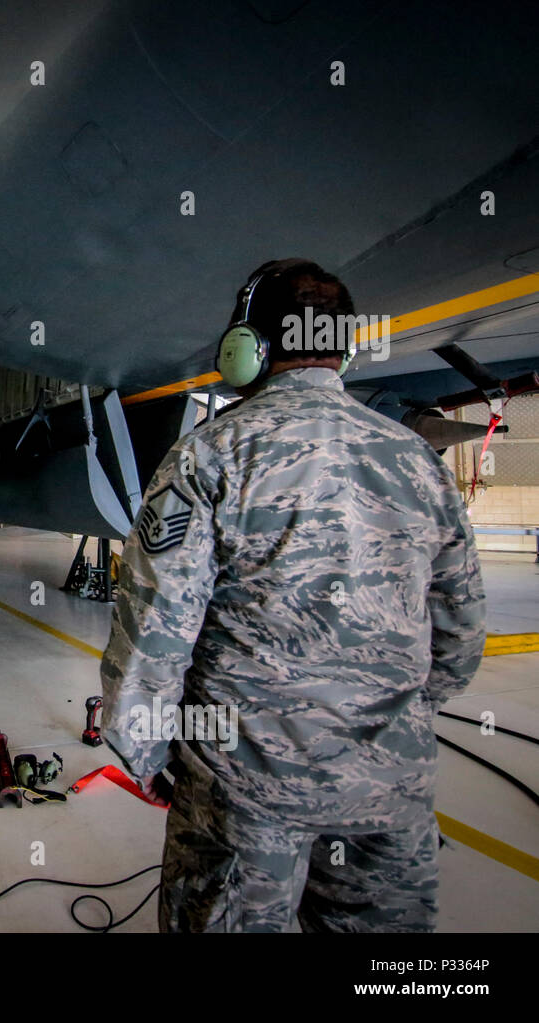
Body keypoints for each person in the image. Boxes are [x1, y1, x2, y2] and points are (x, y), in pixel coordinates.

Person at [98, 258, 486, 932]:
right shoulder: (417, 459)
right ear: (344, 346)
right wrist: (389, 723)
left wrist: (148, 749)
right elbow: (458, 634)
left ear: (246, 348)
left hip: (246, 793)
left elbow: (153, 631)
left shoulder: (210, 455)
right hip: (388, 789)